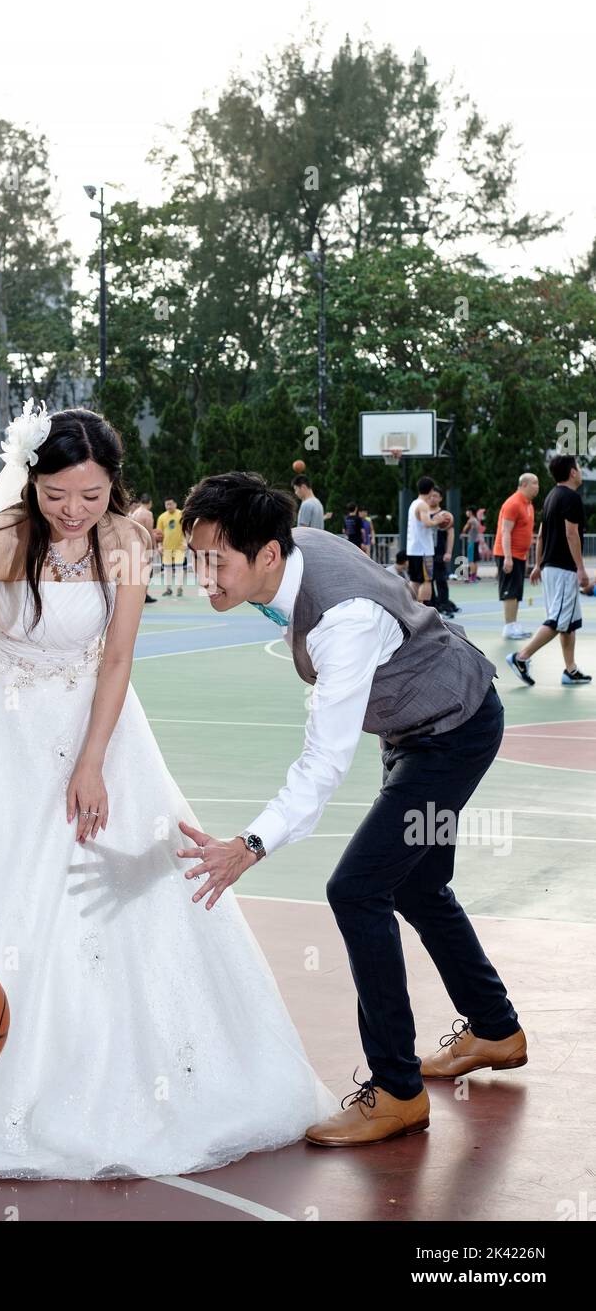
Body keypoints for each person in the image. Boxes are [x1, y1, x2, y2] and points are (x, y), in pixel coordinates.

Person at [0, 404, 338, 1181]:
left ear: (114, 488)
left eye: (92, 496)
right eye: (56, 496)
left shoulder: (130, 545)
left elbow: (116, 663)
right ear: (32, 483)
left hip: (99, 728)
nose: (73, 512)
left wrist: (91, 762)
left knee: (112, 911)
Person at [179, 471, 526, 1148]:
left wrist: (249, 844)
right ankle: (495, 1027)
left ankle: (397, 1090)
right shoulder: (293, 545)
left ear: (268, 555)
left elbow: (322, 765)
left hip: (452, 729)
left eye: (217, 560)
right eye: (198, 556)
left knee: (358, 887)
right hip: (422, 719)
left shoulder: (342, 621)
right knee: (419, 882)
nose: (205, 574)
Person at [507, 455, 592, 687]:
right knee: (556, 621)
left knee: (569, 622)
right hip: (564, 569)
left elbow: (542, 533)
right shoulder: (571, 498)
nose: (580, 472)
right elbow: (571, 534)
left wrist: (537, 564)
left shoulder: (551, 496)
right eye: (578, 468)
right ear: (573, 473)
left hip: (550, 568)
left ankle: (570, 670)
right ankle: (521, 657)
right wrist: (581, 569)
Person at [494, 473, 538, 639]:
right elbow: (505, 531)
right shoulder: (513, 503)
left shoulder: (528, 504)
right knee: (510, 592)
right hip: (508, 554)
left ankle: (513, 624)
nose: (537, 487)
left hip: (520, 555)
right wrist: (508, 557)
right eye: (534, 483)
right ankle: (509, 627)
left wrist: (524, 556)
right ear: (524, 484)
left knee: (517, 592)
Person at [406, 476, 452, 604]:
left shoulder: (413, 504)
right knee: (427, 581)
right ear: (431, 490)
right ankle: (423, 609)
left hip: (413, 549)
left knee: (414, 581)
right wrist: (438, 520)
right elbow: (427, 523)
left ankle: (409, 607)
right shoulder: (423, 505)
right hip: (424, 551)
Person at [427, 487, 459, 617]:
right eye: (430, 496)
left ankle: (444, 604)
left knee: (441, 579)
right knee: (428, 580)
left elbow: (451, 534)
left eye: (435, 496)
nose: (432, 498)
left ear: (440, 498)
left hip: (439, 551)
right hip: (426, 552)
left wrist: (449, 552)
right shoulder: (423, 513)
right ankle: (432, 605)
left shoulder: (445, 515)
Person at [128, 494, 157, 603]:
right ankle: (144, 594)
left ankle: (137, 594)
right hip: (144, 545)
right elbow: (149, 531)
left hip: (134, 544)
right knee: (147, 570)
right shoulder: (147, 514)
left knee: (136, 571)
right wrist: (154, 546)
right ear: (150, 503)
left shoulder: (134, 513)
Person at [156, 497, 187, 598]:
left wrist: (186, 542)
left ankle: (179, 588)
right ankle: (168, 588)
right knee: (167, 569)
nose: (169, 506)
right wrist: (159, 546)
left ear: (175, 504)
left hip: (179, 547)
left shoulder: (181, 514)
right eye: (167, 504)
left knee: (179, 567)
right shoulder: (162, 517)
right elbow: (159, 534)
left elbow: (187, 530)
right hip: (166, 548)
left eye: (170, 504)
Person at [461, 507, 481, 581]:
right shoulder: (476, 520)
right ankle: (474, 577)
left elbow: (464, 529)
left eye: (467, 511)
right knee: (475, 560)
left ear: (470, 512)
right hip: (476, 541)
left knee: (471, 560)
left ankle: (472, 577)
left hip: (471, 542)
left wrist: (463, 533)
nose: (466, 513)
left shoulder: (471, 520)